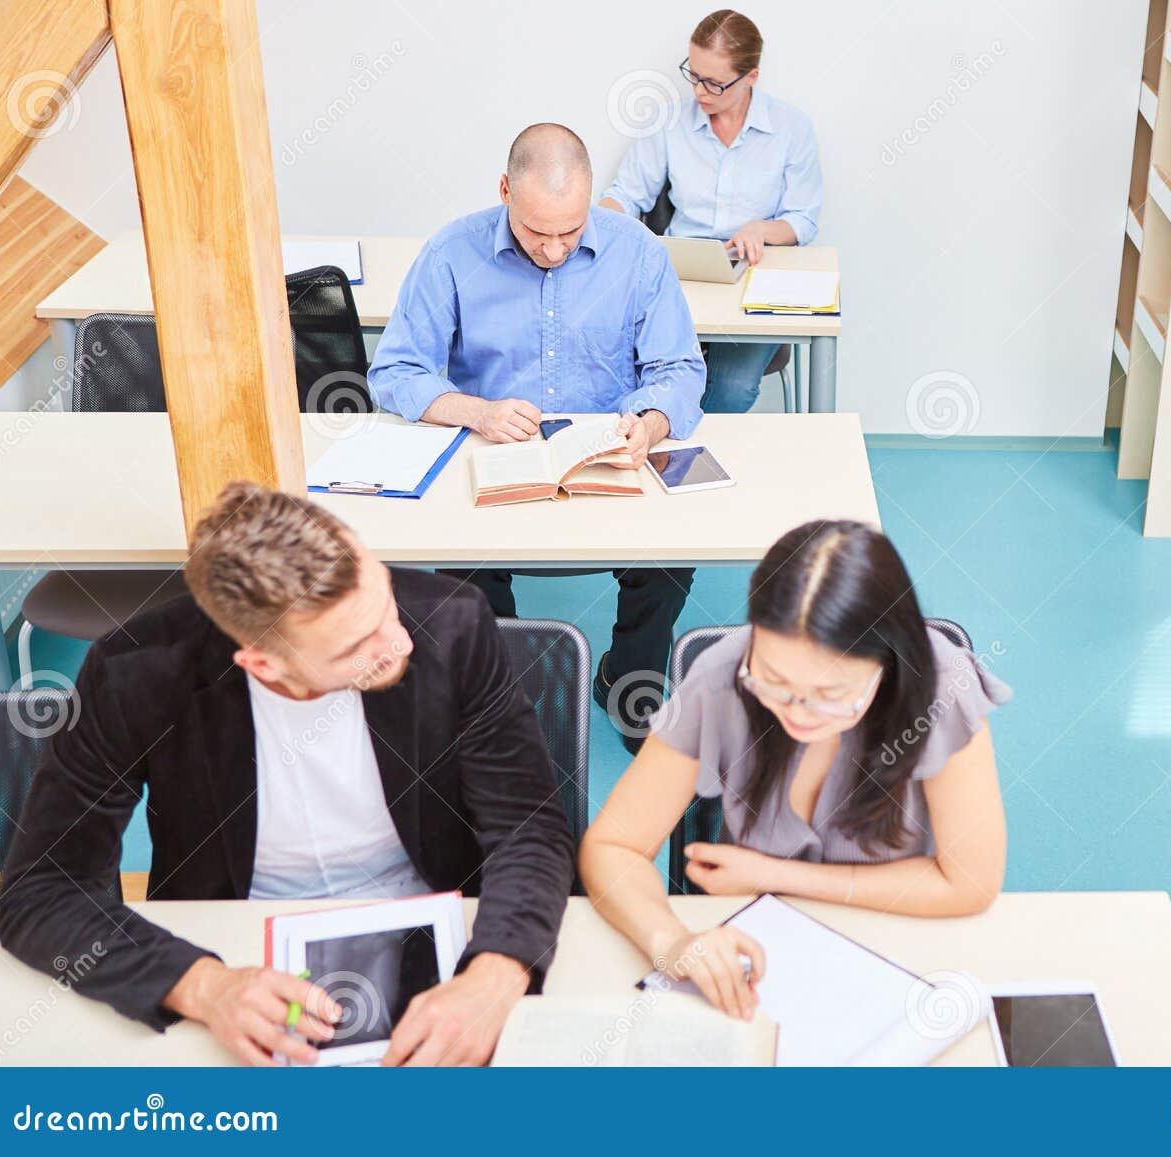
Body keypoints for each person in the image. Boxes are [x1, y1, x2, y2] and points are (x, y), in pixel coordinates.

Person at [0, 483, 575, 1066]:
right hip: (231, 937)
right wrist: (204, 987)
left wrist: (497, 974)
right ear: (262, 663)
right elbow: (41, 891)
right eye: (357, 645)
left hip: (440, 924)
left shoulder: (451, 622)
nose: (399, 642)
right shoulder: (135, 672)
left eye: (385, 601)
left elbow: (528, 827)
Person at [579, 520, 1008, 1019]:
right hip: (761, 957)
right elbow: (613, 847)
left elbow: (970, 883)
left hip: (901, 945)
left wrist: (776, 875)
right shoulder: (723, 675)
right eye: (774, 680)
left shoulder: (942, 688)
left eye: (832, 694)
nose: (799, 713)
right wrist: (670, 941)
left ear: (887, 662)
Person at [369, 122, 706, 751]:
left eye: (570, 232)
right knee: (461, 561)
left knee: (670, 556)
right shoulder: (451, 253)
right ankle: (504, 686)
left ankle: (626, 677)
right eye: (535, 232)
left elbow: (680, 369)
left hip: (607, 459)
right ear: (504, 191)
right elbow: (395, 372)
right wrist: (475, 411)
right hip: (491, 458)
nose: (553, 250)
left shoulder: (638, 253)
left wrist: (652, 421)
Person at [598, 9, 822, 414]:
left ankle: (680, 443)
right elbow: (626, 194)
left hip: (754, 278)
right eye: (694, 75)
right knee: (621, 366)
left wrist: (762, 229)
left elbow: (803, 219)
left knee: (732, 388)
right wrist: (602, 218)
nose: (700, 92)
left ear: (751, 77)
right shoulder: (669, 123)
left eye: (715, 83)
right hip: (681, 276)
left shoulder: (791, 128)